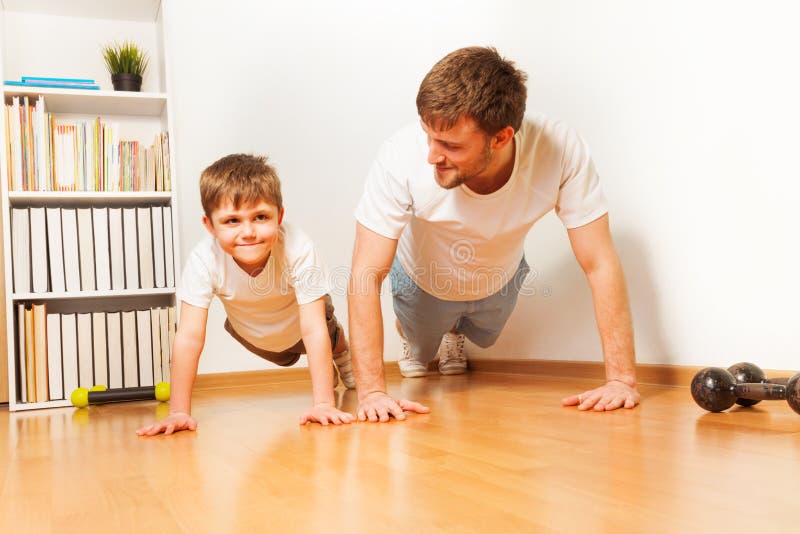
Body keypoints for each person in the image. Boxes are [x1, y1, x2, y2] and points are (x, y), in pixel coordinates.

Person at [348, 46, 640, 423]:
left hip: (499, 275)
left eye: (451, 145)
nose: (431, 156)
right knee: (421, 352)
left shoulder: (560, 149)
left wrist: (622, 380)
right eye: (428, 136)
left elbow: (599, 262)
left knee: (486, 336)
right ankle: (416, 331)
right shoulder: (398, 158)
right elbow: (365, 274)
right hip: (422, 279)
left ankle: (457, 329)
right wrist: (372, 392)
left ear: (501, 138)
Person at [137, 154, 355, 436]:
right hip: (257, 334)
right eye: (232, 221)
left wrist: (324, 403)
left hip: (303, 322)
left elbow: (313, 330)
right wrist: (179, 411)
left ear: (280, 216)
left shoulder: (298, 247)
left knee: (327, 329)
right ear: (210, 226)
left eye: (261, 217)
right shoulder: (204, 259)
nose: (248, 232)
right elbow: (189, 336)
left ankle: (343, 356)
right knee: (283, 356)